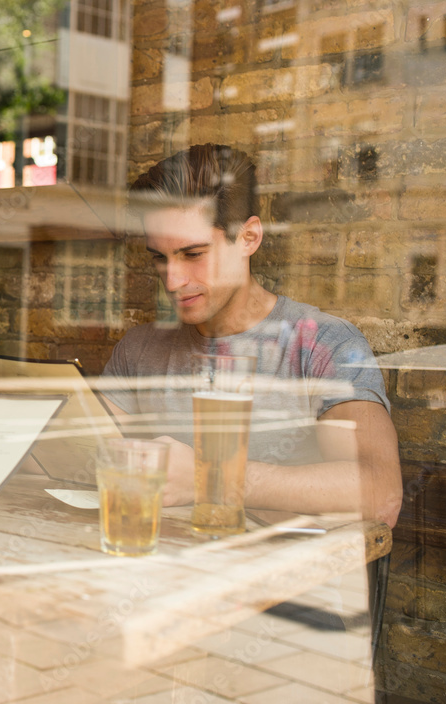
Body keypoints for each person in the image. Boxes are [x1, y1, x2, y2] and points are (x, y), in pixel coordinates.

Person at [101, 144, 402, 528]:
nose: (172, 281)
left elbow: (381, 495)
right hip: (157, 575)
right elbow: (83, 458)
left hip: (283, 582)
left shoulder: (324, 344)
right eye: (160, 257)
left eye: (192, 254)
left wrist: (211, 478)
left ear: (249, 238)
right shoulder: (139, 349)